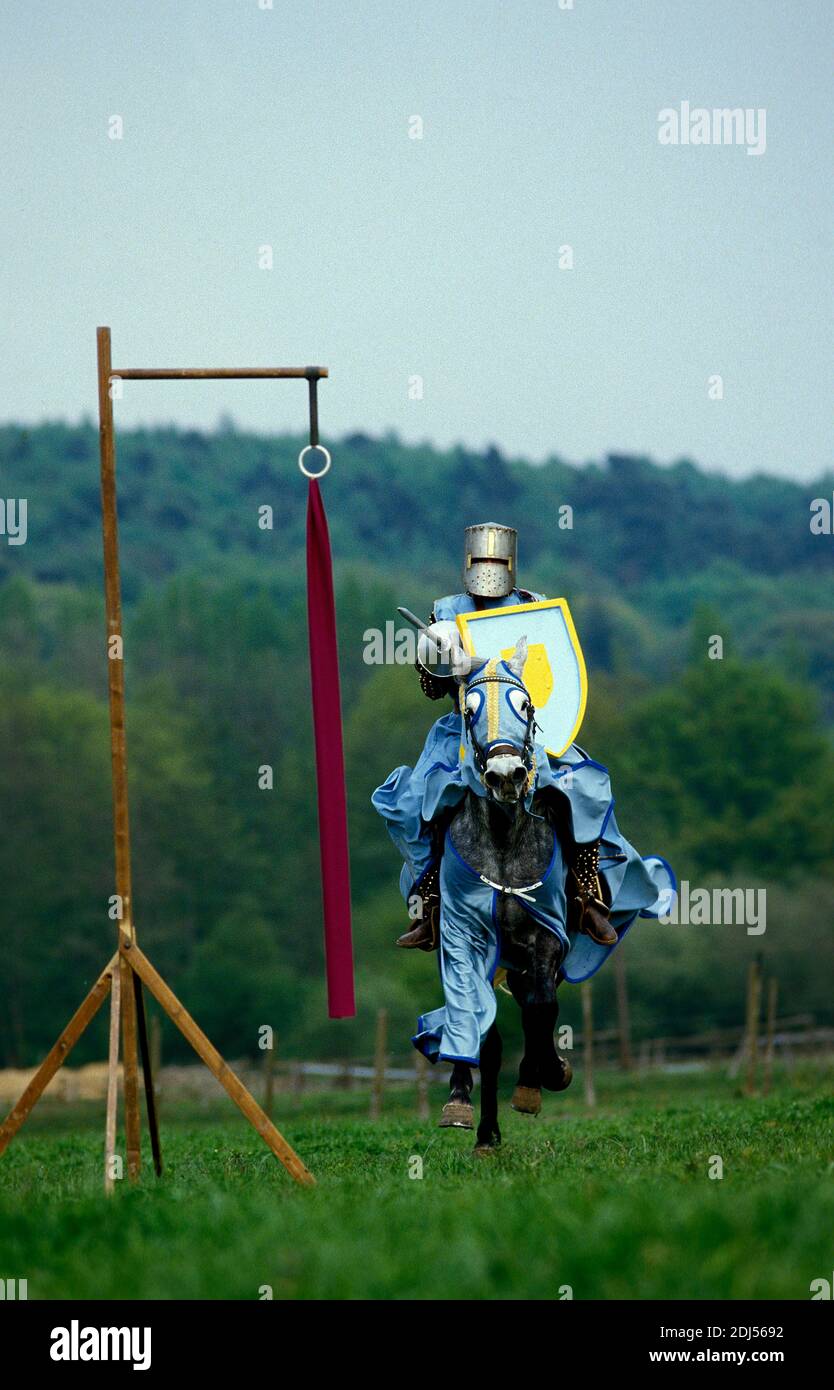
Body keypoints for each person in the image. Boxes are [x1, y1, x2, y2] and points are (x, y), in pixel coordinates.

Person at [372, 522, 619, 952]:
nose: (488, 570)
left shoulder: (534, 606)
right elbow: (432, 689)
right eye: (480, 561)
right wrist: (435, 657)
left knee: (587, 786)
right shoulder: (446, 610)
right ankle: (430, 903)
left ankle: (587, 894)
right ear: (467, 562)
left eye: (497, 561)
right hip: (466, 729)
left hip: (525, 729)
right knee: (418, 798)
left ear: (511, 563)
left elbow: (552, 678)